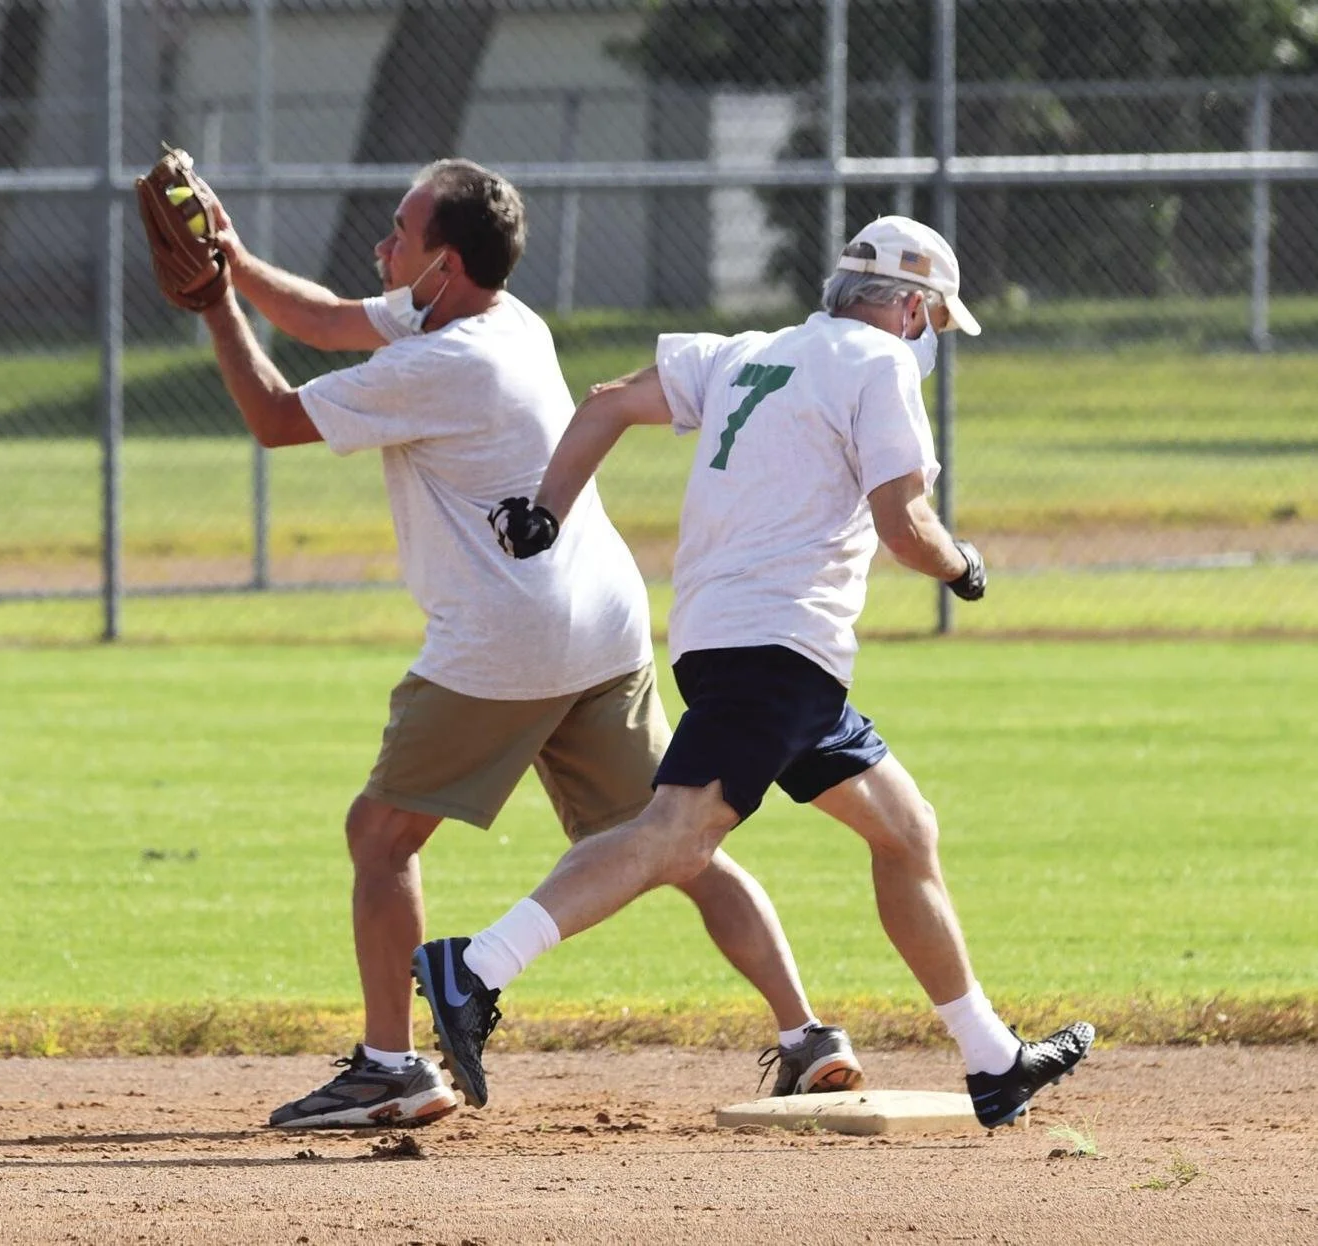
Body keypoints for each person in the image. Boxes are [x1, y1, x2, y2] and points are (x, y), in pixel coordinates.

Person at [185, 157, 863, 1128]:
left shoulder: (442, 363)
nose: (384, 244)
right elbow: (334, 318)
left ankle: (390, 1065)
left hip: (510, 637)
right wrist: (237, 265)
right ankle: (808, 1037)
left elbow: (273, 416)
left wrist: (213, 309)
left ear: (443, 265)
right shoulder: (497, 319)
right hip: (603, 624)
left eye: (401, 232)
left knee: (380, 836)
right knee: (676, 841)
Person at [414, 215, 1095, 1130]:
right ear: (908, 306)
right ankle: (478, 967)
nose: (931, 337)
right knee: (677, 834)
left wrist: (546, 511)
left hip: (737, 642)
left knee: (904, 829)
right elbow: (906, 527)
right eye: (934, 318)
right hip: (778, 645)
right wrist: (963, 565)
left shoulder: (747, 351)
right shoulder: (880, 363)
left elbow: (609, 400)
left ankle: (991, 1059)